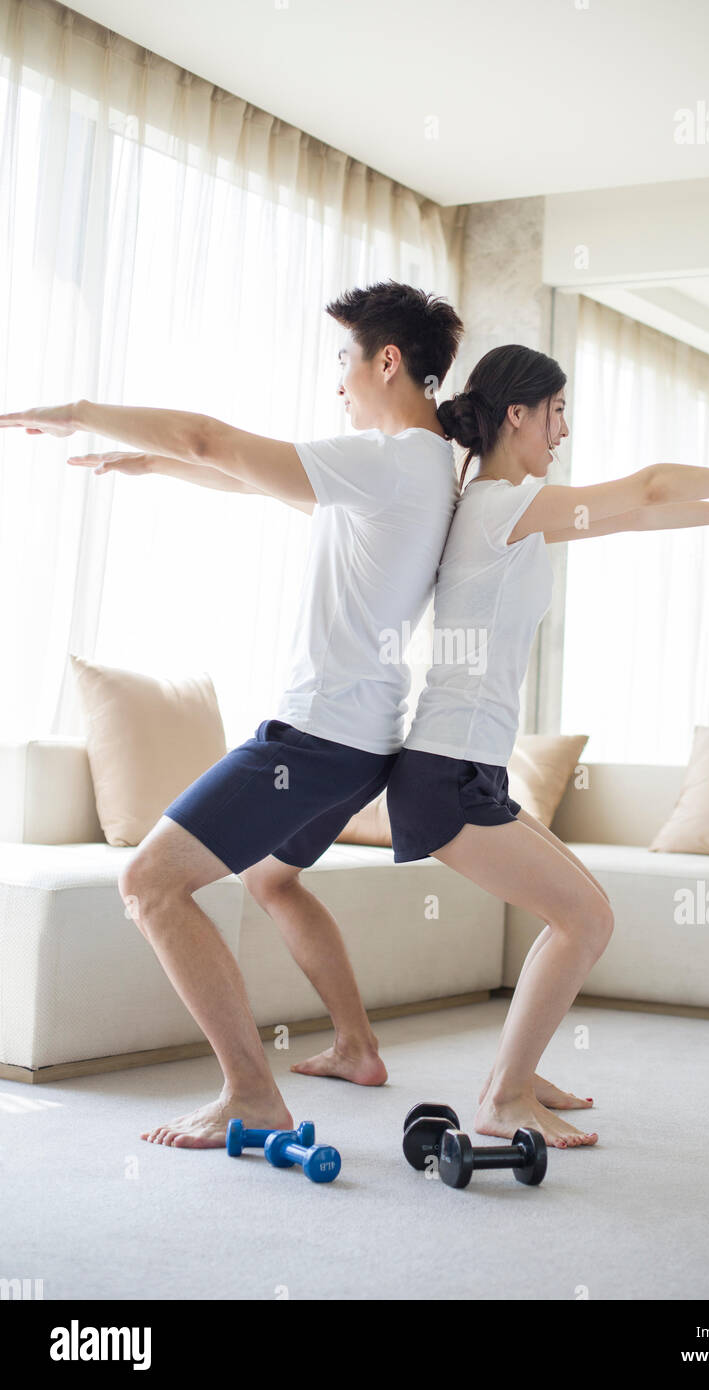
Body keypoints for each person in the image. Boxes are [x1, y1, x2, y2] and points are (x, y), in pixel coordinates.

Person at [0, 280, 465, 1148]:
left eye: (345, 360)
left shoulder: (397, 458)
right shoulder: (422, 468)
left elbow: (212, 436)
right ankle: (358, 1045)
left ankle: (251, 1094)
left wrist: (82, 411)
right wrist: (163, 465)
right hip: (360, 740)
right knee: (271, 877)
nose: (338, 381)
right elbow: (265, 484)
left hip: (317, 738)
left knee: (148, 883)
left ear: (387, 360)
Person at [384, 343, 709, 1149]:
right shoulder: (500, 506)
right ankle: (502, 1100)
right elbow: (645, 486)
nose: (563, 430)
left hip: (471, 768)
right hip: (442, 771)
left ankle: (520, 1070)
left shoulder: (512, 508)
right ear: (517, 415)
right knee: (587, 920)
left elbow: (640, 511)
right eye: (557, 412)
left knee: (576, 908)